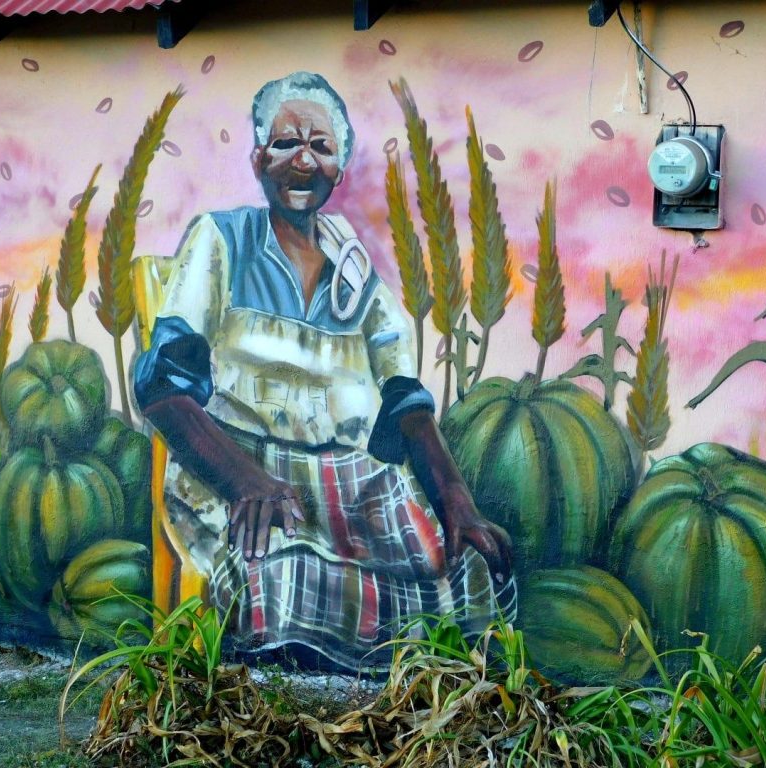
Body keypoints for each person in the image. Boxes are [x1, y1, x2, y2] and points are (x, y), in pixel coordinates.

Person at [134, 71, 515, 670]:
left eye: (320, 146)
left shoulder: (356, 274)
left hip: (352, 483)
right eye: (285, 144)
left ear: (339, 166)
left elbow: (406, 404)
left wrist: (457, 502)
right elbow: (162, 388)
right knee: (283, 572)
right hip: (240, 466)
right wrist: (246, 483)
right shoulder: (221, 240)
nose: (302, 162)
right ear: (258, 156)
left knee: (460, 568)